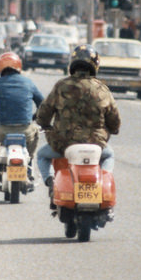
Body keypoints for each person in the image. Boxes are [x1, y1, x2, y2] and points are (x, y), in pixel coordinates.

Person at [35, 44, 121, 190]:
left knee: (42, 155)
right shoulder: (102, 89)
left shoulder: (61, 86)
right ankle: (104, 184)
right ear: (95, 65)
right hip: (96, 143)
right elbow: (114, 120)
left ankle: (51, 183)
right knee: (109, 155)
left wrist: (44, 124)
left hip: (63, 143)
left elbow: (44, 113)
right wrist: (113, 129)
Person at [0, 52, 44, 185]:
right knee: (36, 132)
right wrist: (37, 116)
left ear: (0, 67)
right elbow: (42, 103)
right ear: (18, 66)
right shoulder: (28, 82)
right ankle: (29, 165)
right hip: (26, 130)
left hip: (2, 131)